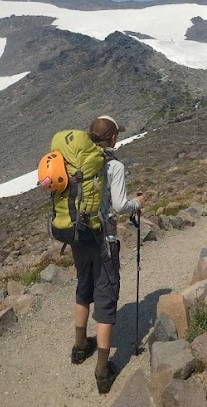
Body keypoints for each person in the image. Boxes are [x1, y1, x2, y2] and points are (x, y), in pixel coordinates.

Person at [69, 115, 145, 394]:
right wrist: (139, 202)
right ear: (112, 137)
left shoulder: (77, 163)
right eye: (117, 135)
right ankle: (102, 370)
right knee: (105, 298)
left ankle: (80, 347)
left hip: (78, 238)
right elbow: (120, 205)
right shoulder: (114, 166)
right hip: (104, 240)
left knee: (83, 288)